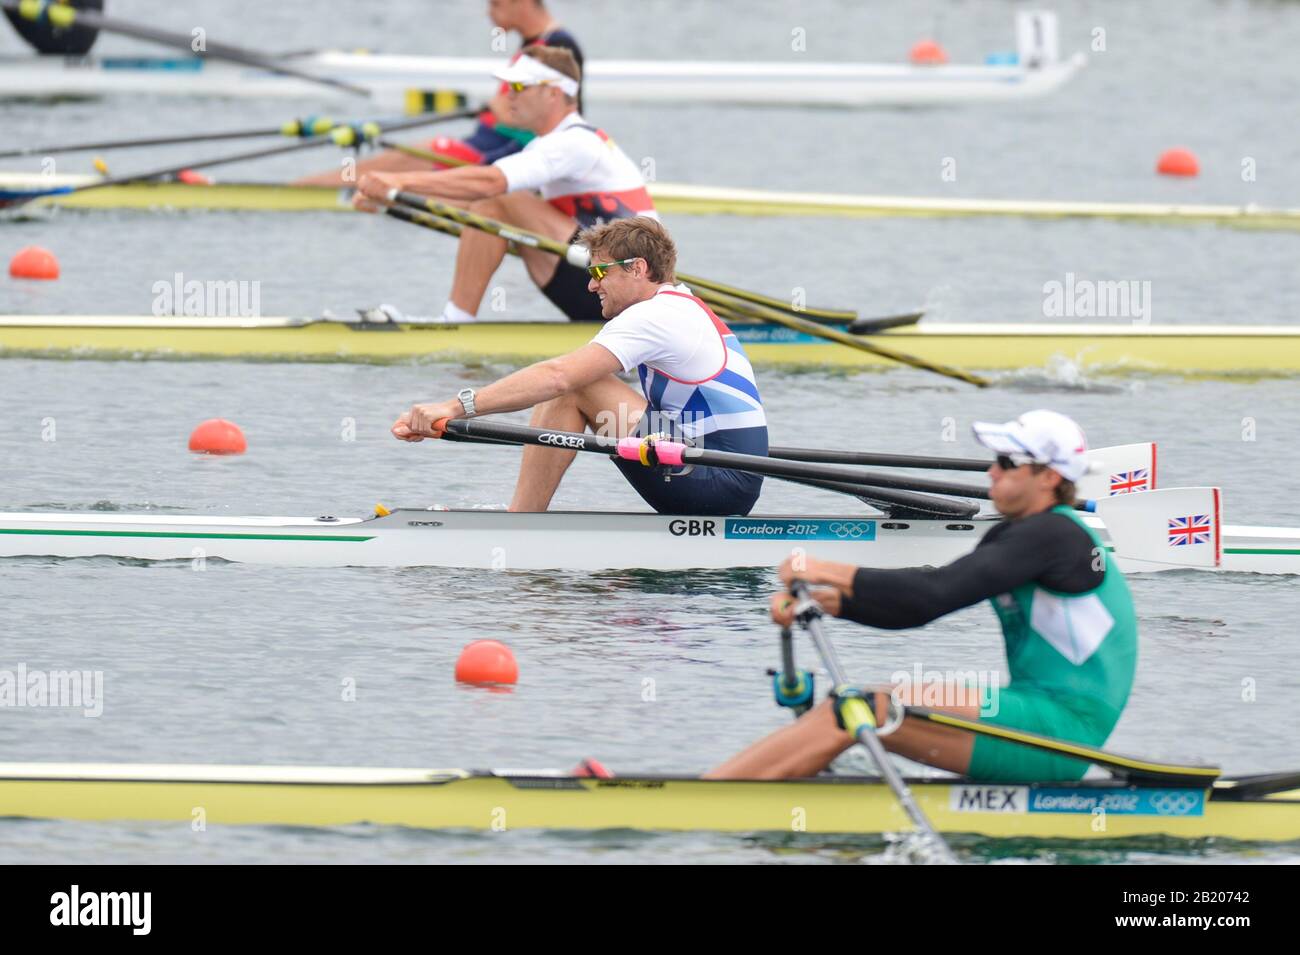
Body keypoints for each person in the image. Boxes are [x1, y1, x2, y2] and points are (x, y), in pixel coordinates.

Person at [708, 410, 1138, 783]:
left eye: (1007, 462)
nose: (992, 472)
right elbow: (913, 607)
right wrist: (820, 600)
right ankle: (749, 793)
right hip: (1039, 715)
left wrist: (824, 569)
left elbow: (929, 596)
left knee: (862, 708)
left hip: (1060, 733)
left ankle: (712, 799)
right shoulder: (1021, 534)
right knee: (855, 705)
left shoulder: (1055, 535)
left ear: (1049, 477)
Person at [391, 217, 768, 517]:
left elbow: (558, 376)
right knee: (579, 382)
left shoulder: (656, 316)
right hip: (713, 468)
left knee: (575, 385)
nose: (590, 286)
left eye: (600, 273)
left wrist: (455, 408)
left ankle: (521, 520)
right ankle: (522, 517)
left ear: (638, 268)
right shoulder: (678, 304)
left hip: (716, 481)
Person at [354, 46, 655, 325]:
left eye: (521, 87)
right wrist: (395, 200)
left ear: (553, 93)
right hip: (603, 281)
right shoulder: (548, 144)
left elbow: (490, 181)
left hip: (629, 289)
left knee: (501, 198)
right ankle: (455, 319)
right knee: (492, 206)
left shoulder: (574, 142)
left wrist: (398, 180)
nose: (509, 95)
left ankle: (455, 322)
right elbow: (480, 205)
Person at [295, 0, 582, 185]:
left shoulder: (558, 46)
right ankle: (305, 188)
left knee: (414, 154)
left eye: (494, 4)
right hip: (487, 144)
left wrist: (497, 108)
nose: (488, 12)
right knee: (401, 156)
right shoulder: (536, 44)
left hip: (504, 154)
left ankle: (304, 193)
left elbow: (560, 118)